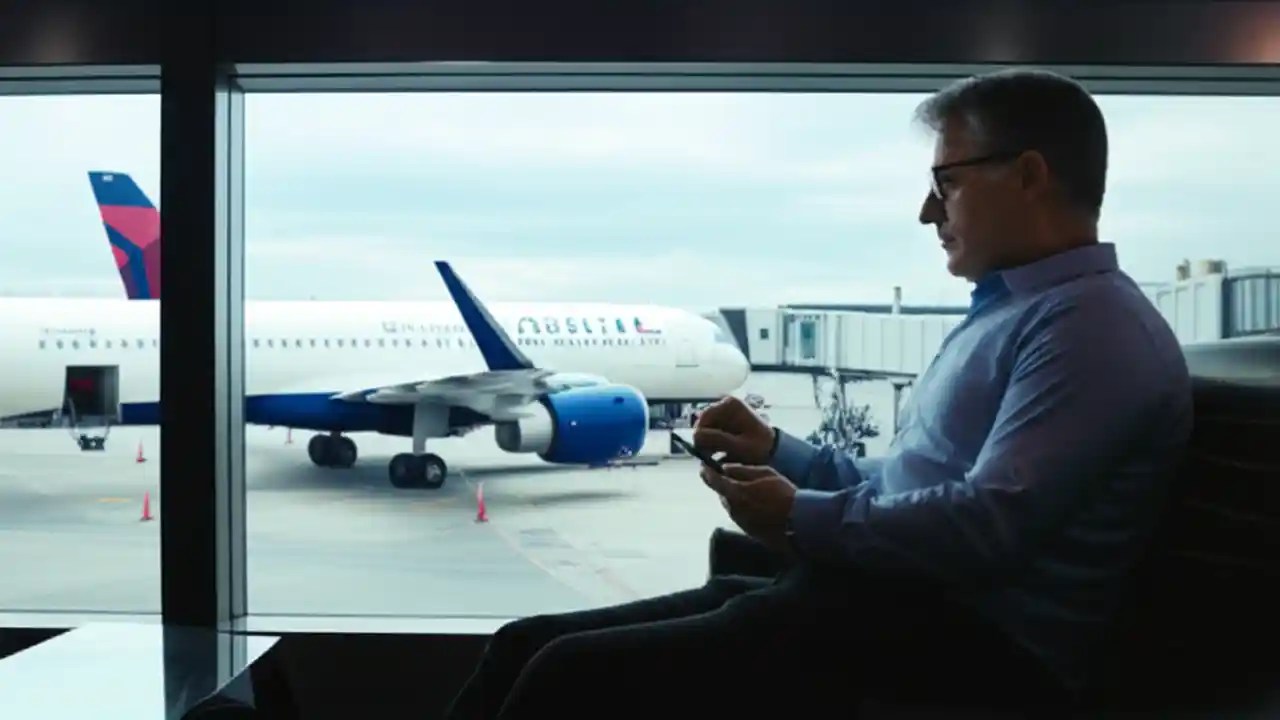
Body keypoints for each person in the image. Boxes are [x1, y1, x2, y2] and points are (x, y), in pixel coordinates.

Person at [442, 67, 1193, 719]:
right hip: (886, 607)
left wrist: (797, 516)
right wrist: (778, 453)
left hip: (970, 643)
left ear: (1029, 176)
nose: (930, 212)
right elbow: (914, 491)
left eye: (947, 182)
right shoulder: (1023, 315)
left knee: (568, 675)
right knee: (525, 645)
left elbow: (985, 526)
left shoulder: (1089, 329)